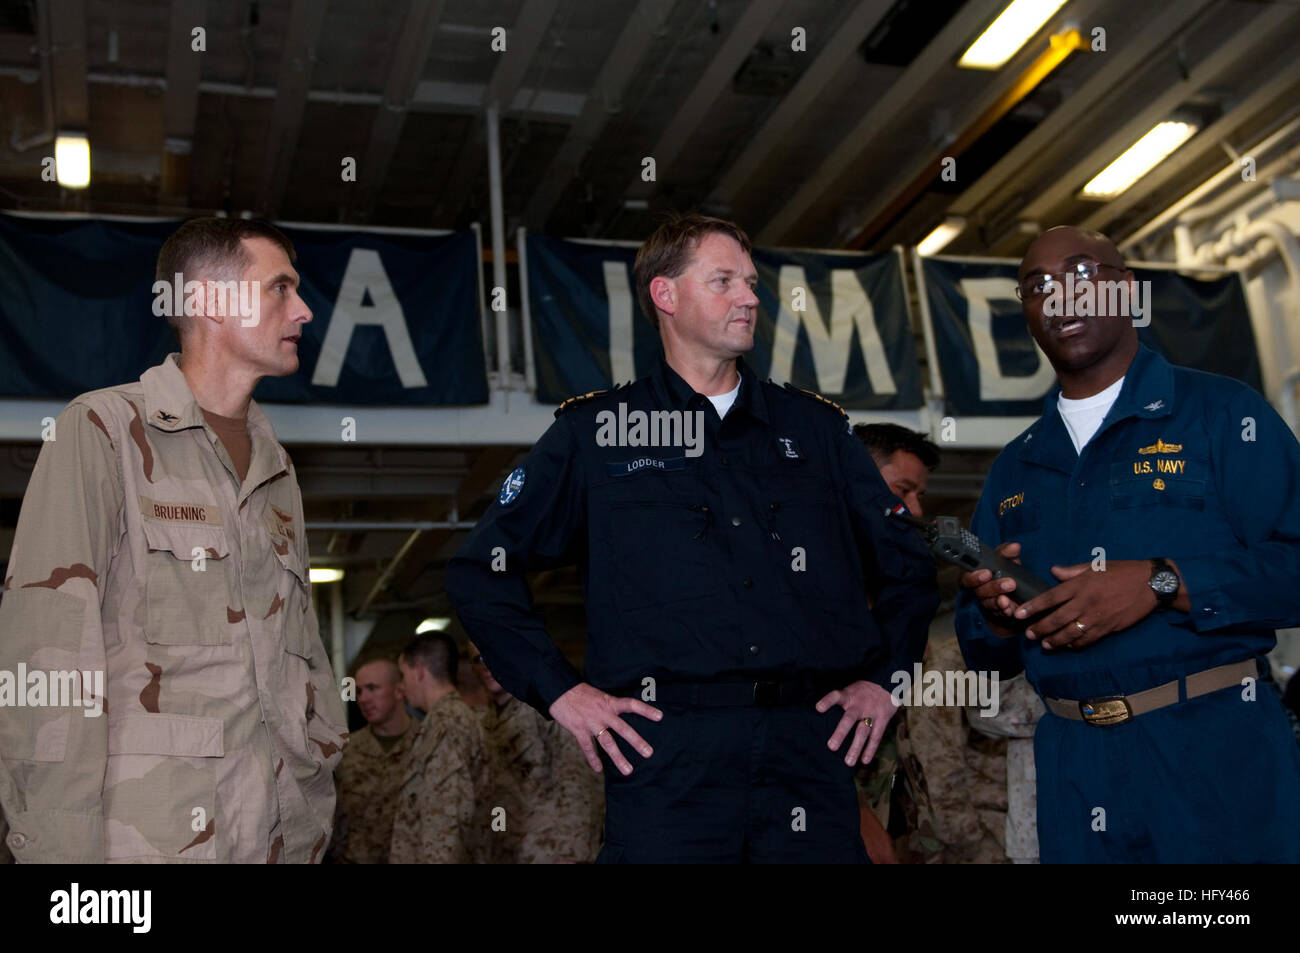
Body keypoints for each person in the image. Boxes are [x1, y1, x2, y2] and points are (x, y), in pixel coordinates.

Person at [446, 212, 938, 863]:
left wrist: (885, 680)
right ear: (666, 295)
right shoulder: (598, 434)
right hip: (665, 759)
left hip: (806, 752)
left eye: (753, 282)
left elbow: (910, 564)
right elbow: (481, 570)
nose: (750, 297)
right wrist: (562, 691)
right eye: (724, 280)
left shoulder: (816, 433)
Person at [0, 217, 347, 863]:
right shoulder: (102, 430)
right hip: (149, 845)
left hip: (279, 839)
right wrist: (55, 856)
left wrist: (317, 793)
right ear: (211, 300)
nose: (302, 309)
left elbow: (308, 663)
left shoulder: (277, 466)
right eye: (280, 288)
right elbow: (44, 661)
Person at [955, 225, 1300, 862]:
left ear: (1129, 291)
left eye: (1082, 274)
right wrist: (996, 613)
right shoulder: (1016, 467)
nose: (1061, 296)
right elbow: (982, 650)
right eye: (1038, 286)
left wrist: (1161, 582)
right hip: (1072, 765)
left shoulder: (1224, 415)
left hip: (1211, 752)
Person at [470, 641, 604, 863]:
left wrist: (573, 855)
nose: (486, 665)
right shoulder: (483, 723)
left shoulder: (550, 710)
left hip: (554, 853)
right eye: (477, 659)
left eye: (491, 654)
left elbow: (580, 787)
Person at [391, 632, 490, 864]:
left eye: (403, 675)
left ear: (419, 670)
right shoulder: (442, 721)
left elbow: (446, 822)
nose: (402, 686)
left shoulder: (447, 725)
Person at [329, 657, 415, 863]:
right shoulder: (346, 751)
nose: (364, 698)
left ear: (398, 690)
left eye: (372, 688)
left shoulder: (429, 744)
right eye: (359, 691)